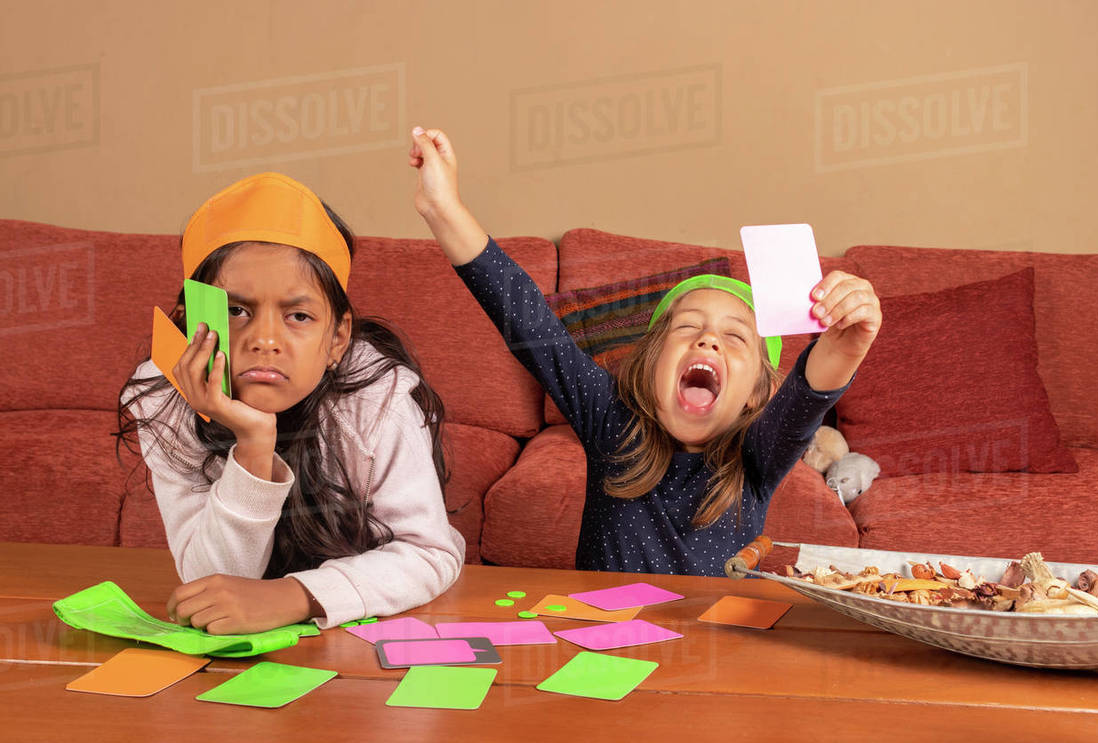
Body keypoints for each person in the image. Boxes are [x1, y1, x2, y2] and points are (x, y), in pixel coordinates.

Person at [408, 127, 882, 575]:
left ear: (757, 395)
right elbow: (527, 318)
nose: (708, 339)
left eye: (735, 337)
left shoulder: (760, 452)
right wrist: (443, 207)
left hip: (718, 647)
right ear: (651, 364)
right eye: (687, 327)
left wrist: (846, 344)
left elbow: (807, 393)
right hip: (609, 641)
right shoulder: (609, 420)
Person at [118, 172, 464, 633]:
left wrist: (297, 595)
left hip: (354, 631)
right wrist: (253, 444)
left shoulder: (375, 398)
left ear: (338, 339)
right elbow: (212, 587)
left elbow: (430, 552)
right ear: (189, 321)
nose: (264, 340)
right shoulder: (165, 399)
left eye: (298, 316)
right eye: (236, 310)